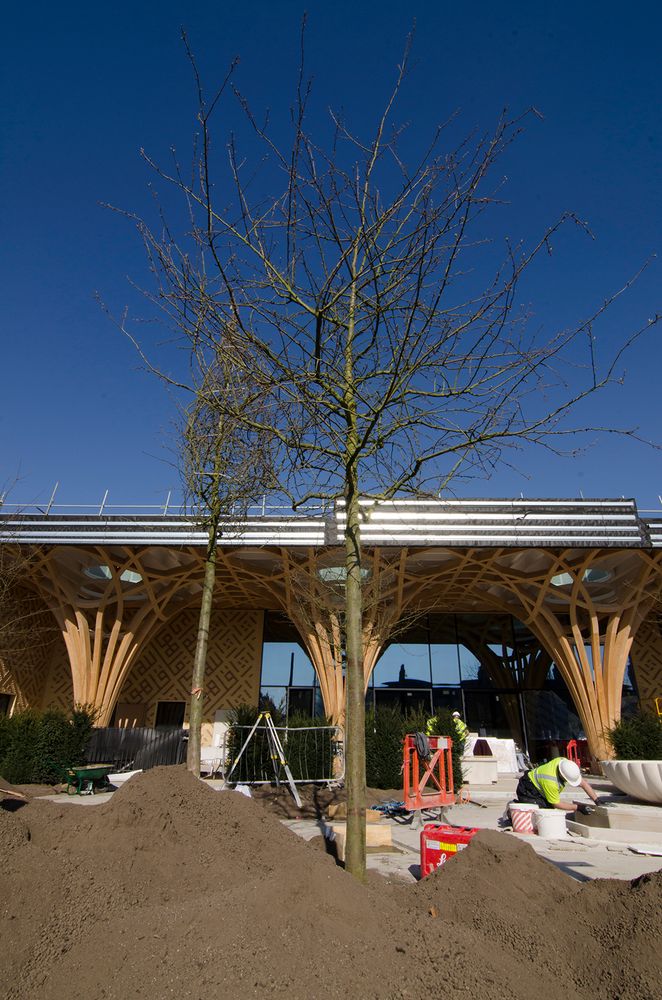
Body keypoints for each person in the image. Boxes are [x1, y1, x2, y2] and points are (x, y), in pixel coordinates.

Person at [516, 756, 600, 812]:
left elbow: (584, 784)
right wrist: (578, 807)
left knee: (549, 809)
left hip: (537, 785)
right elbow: (556, 804)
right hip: (526, 789)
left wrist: (597, 800)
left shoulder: (564, 763)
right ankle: (512, 810)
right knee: (543, 812)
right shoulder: (551, 782)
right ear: (562, 775)